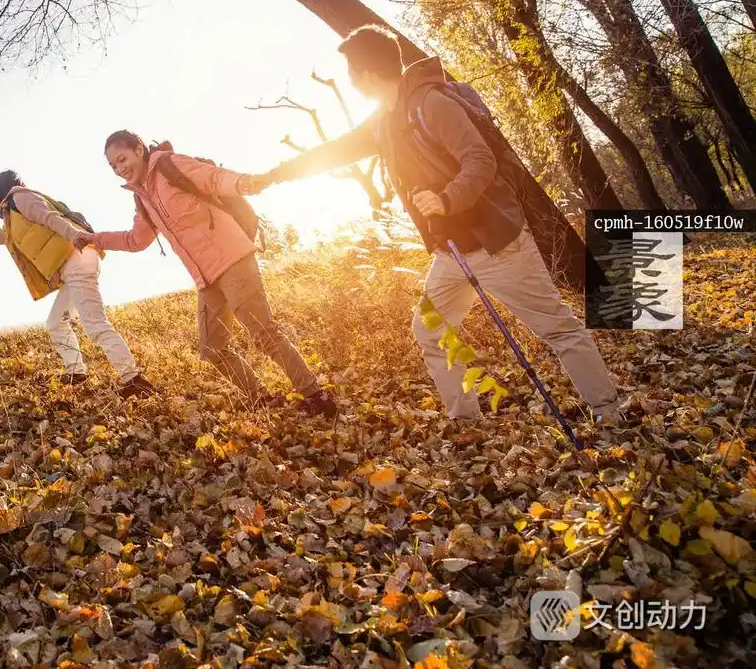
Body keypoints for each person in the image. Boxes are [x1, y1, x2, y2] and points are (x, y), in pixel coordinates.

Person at [262, 24, 621, 425]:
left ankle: (608, 413)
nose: (349, 80)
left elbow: (479, 159)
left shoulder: (430, 103)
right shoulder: (383, 121)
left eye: (350, 71)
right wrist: (276, 175)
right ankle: (466, 420)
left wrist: (447, 199)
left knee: (557, 328)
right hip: (451, 254)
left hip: (498, 244)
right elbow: (336, 151)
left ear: (363, 74)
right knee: (430, 332)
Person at [73, 132, 338, 418]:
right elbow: (137, 240)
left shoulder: (170, 165)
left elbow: (213, 178)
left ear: (139, 150)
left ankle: (315, 394)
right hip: (206, 278)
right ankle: (261, 399)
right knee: (213, 348)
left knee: (263, 332)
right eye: (113, 166)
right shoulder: (143, 199)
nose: (120, 168)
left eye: (122, 159)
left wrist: (243, 182)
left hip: (232, 258)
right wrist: (94, 239)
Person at [0, 170, 158, 398]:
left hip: (77, 257)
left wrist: (74, 235)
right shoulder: (11, 218)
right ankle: (76, 372)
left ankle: (135, 381)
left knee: (95, 323)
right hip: (72, 265)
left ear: (1, 186)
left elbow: (49, 217)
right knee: (56, 322)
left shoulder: (20, 197)